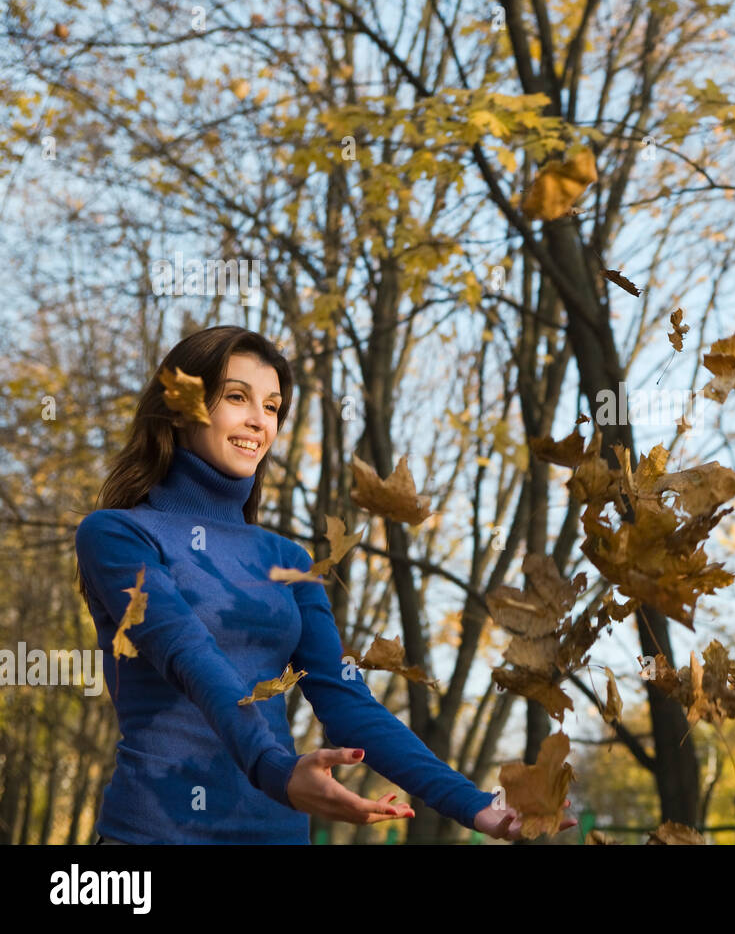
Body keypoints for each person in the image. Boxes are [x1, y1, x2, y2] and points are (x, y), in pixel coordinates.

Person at [75, 325, 576, 843]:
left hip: (279, 832)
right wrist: (275, 769)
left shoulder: (288, 560)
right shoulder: (117, 534)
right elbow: (189, 653)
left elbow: (344, 699)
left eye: (272, 407)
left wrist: (475, 806)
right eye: (237, 397)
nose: (258, 421)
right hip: (153, 832)